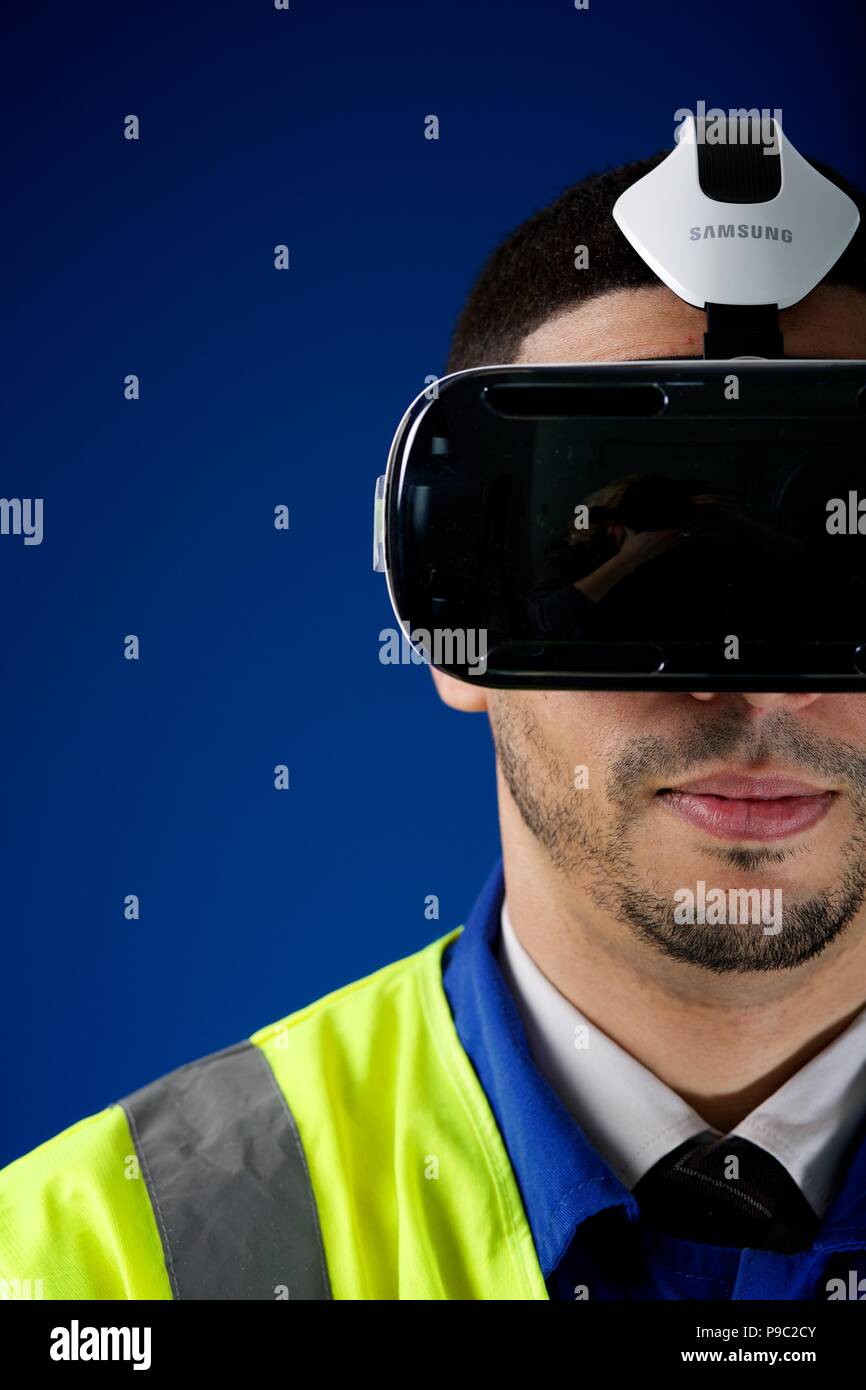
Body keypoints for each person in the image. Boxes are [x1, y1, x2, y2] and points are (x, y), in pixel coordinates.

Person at [4, 147, 866, 1303]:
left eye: (848, 554)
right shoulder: (94, 1265)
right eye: (638, 559)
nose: (754, 686)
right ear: (448, 610)